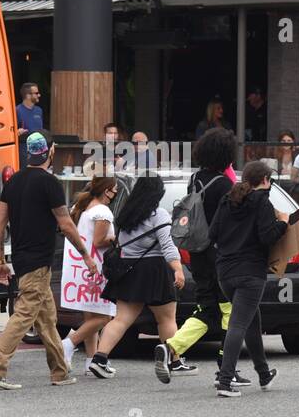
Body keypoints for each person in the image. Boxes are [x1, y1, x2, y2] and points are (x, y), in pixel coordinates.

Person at [0, 131, 98, 389]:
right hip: (39, 260)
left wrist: (0, 259)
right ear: (50, 150)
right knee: (25, 313)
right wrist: (85, 255)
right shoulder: (50, 183)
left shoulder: (13, 181)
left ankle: (59, 371)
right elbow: (66, 224)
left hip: (23, 257)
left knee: (47, 318)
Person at [86, 175, 185, 381]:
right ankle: (174, 361)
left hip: (129, 268)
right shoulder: (159, 214)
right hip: (155, 269)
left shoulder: (125, 214)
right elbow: (167, 245)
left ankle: (99, 358)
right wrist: (177, 268)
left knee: (121, 319)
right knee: (166, 318)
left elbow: (120, 242)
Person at [158, 128, 236, 382]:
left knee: (207, 308)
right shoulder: (224, 185)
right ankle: (227, 366)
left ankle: (171, 347)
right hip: (219, 256)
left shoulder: (195, 179)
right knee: (229, 310)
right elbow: (229, 221)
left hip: (198, 254)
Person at [206, 161, 288, 397]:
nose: (270, 184)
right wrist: (282, 222)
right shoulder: (262, 202)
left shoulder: (227, 200)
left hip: (225, 273)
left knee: (251, 321)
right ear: (264, 180)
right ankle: (225, 381)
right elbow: (267, 237)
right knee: (238, 324)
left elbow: (212, 234)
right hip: (250, 272)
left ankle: (263, 374)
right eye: (269, 180)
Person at [60, 176, 119, 365]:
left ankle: (91, 360)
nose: (116, 193)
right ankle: (69, 343)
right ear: (106, 190)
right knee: (104, 316)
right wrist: (116, 239)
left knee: (91, 315)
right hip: (97, 267)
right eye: (115, 189)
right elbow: (98, 241)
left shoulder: (84, 207)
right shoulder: (103, 211)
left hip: (82, 268)